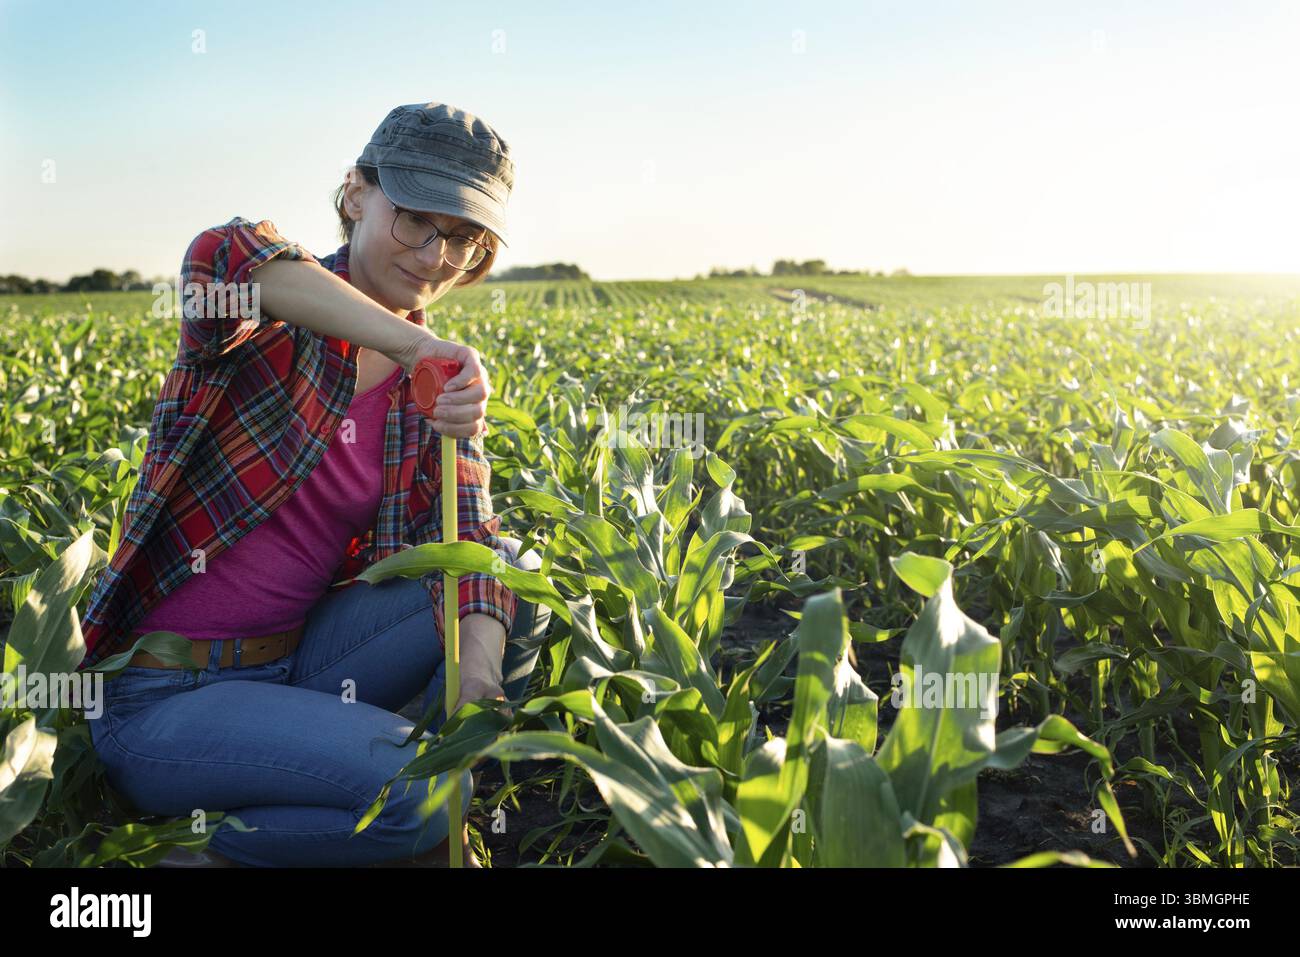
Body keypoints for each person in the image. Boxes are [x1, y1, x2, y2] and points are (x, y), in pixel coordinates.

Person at [75, 102, 550, 867]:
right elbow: (218, 255)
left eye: (464, 237)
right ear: (356, 192)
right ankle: (202, 852)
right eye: (415, 219)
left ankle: (365, 771)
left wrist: (480, 686)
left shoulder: (433, 390)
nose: (435, 256)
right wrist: (415, 342)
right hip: (164, 699)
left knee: (510, 572)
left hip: (301, 669)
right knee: (421, 796)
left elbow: (473, 540)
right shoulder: (264, 318)